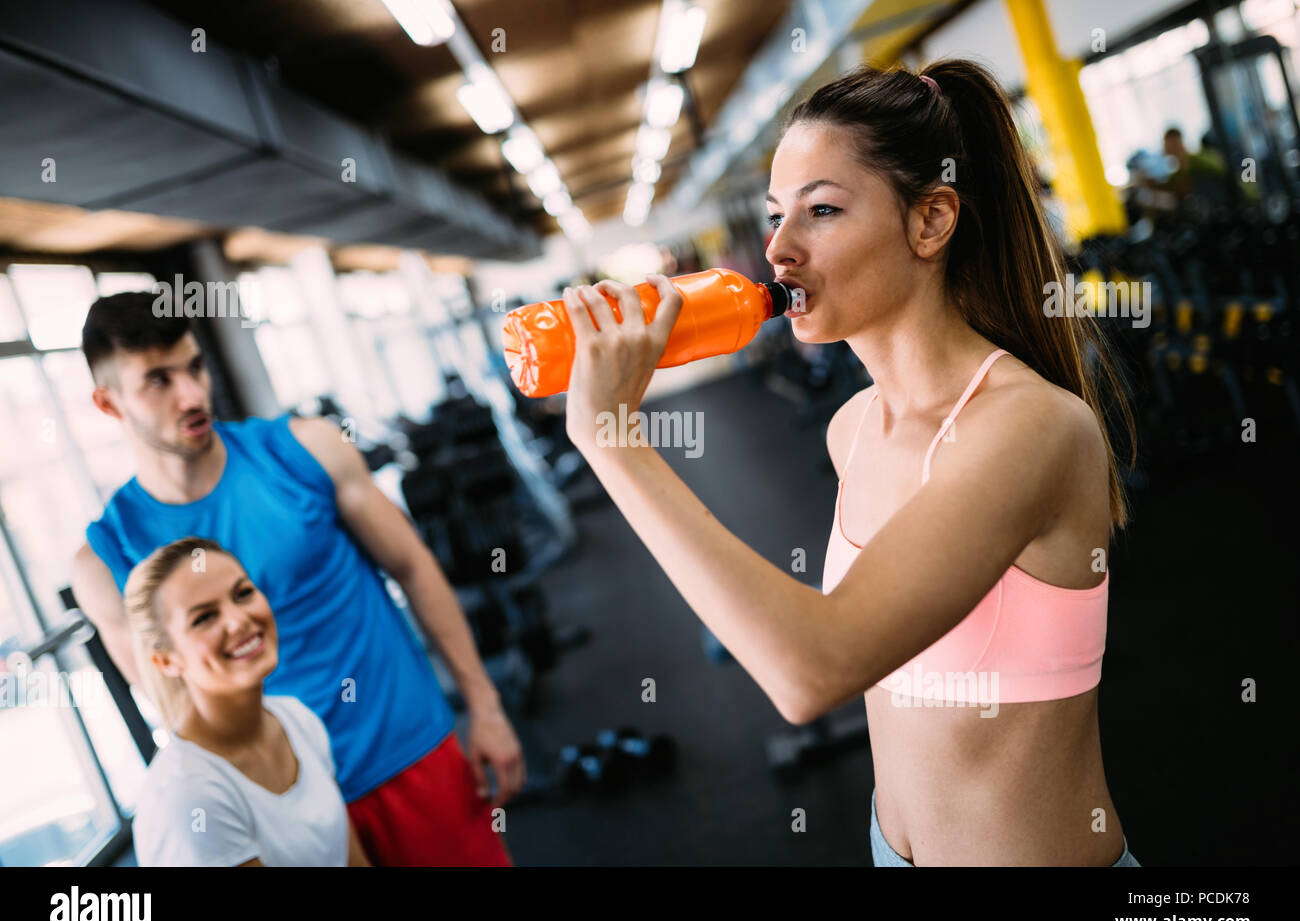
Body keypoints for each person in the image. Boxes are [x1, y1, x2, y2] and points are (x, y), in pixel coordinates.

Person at [555, 61, 1141, 866]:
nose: (778, 249)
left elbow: (812, 669)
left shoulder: (1032, 428)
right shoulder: (853, 427)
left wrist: (612, 441)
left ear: (930, 221)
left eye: (821, 210)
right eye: (775, 216)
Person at [69, 293, 520, 866]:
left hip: (404, 752)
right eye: (158, 380)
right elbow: (177, 709)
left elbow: (412, 565)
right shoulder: (107, 559)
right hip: (282, 810)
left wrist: (486, 706)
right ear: (108, 404)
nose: (191, 394)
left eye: (195, 367)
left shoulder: (304, 448)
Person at [125, 537, 369, 866]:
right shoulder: (190, 797)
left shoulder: (297, 719)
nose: (238, 620)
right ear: (166, 661)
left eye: (243, 594)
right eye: (204, 618)